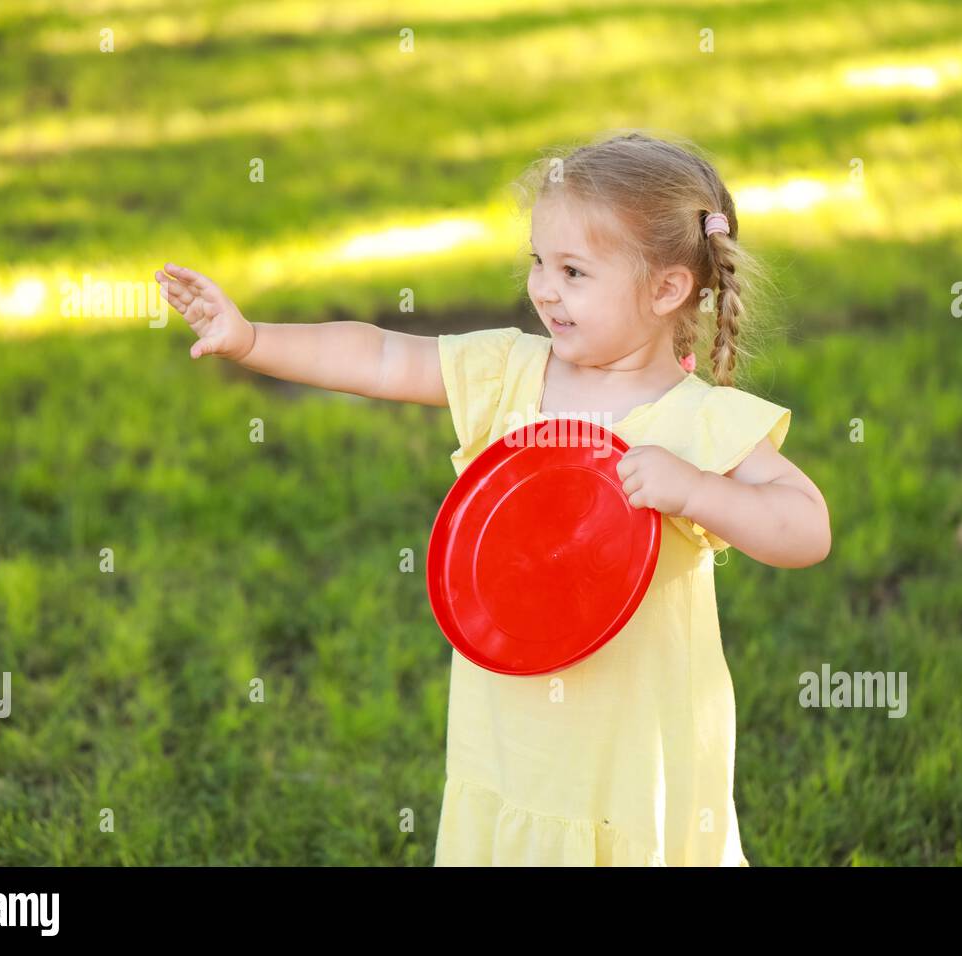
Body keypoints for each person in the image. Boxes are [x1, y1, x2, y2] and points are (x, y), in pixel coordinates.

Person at [155, 129, 832, 866]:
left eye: (574, 271)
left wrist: (698, 490)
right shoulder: (513, 372)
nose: (543, 287)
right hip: (510, 740)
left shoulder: (698, 423)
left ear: (667, 288)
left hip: (629, 762)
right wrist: (252, 338)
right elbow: (381, 355)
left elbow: (805, 528)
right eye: (539, 261)